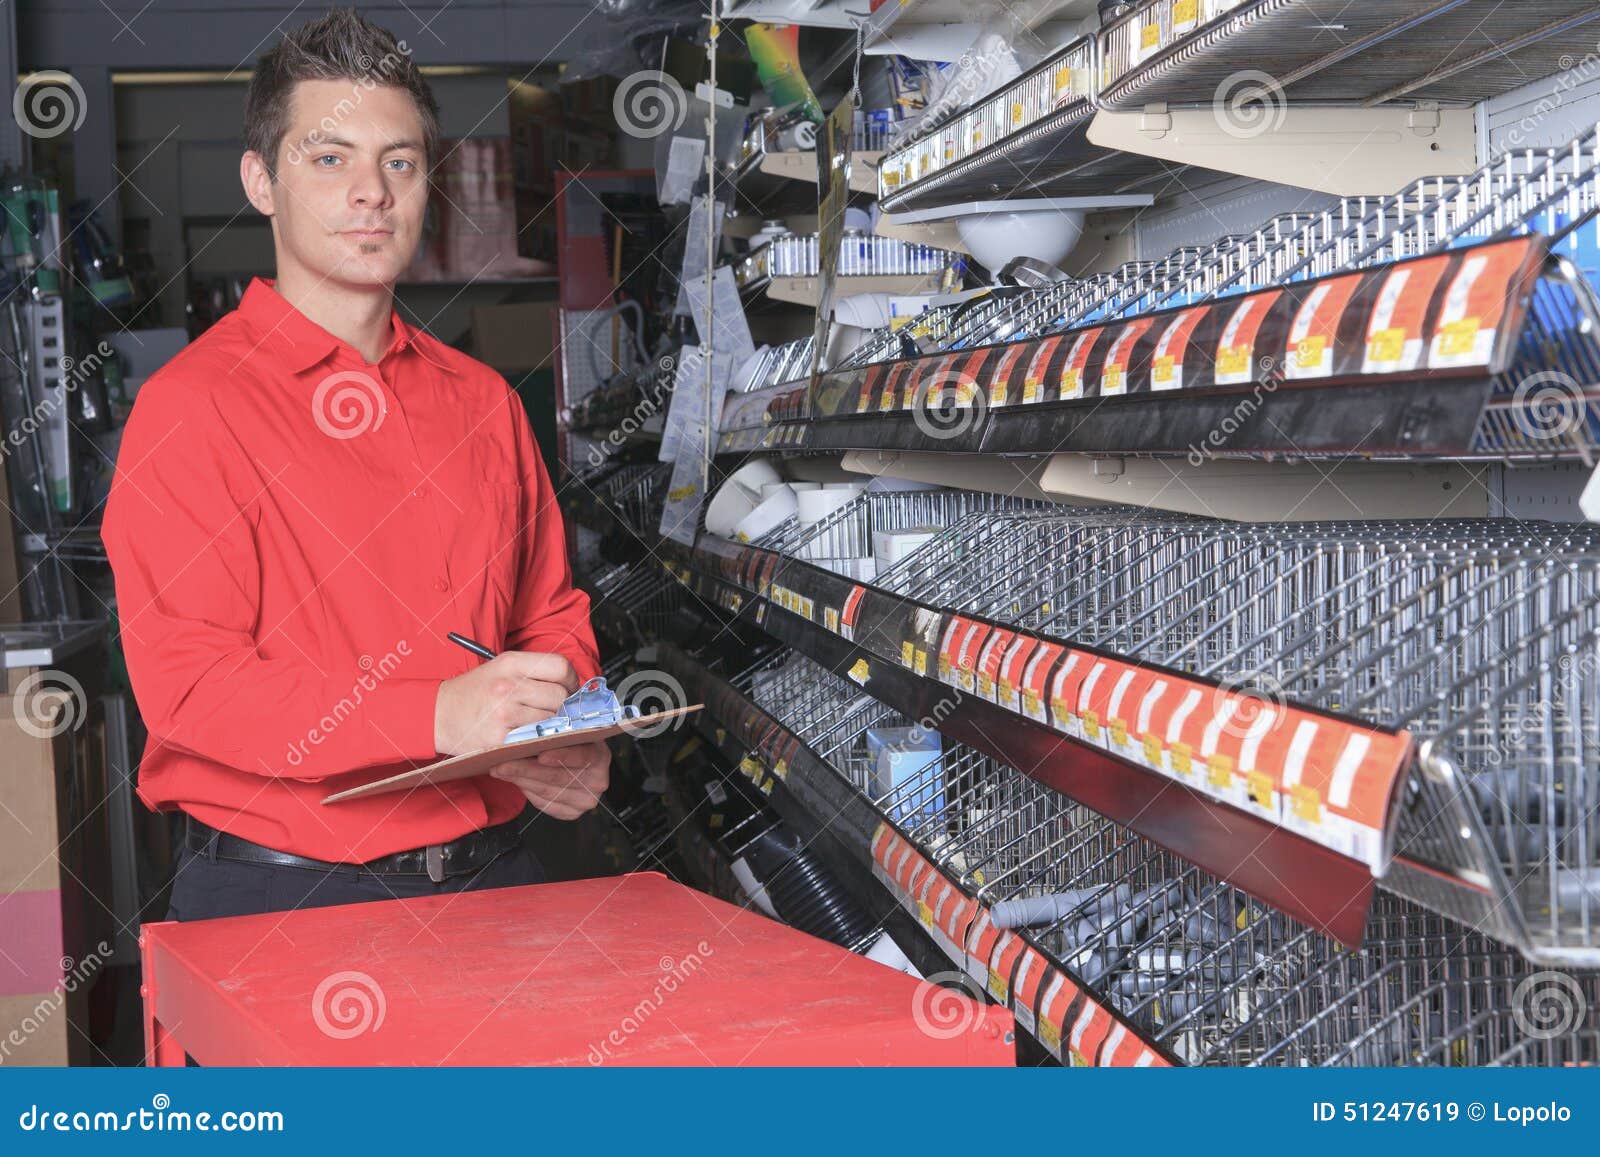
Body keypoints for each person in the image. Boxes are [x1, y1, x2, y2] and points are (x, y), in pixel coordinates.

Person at [102, 8, 609, 924]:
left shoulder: (483, 403)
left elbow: (550, 617)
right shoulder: (192, 409)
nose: (371, 192)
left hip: (495, 878)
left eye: (399, 162)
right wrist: (437, 715)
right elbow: (193, 686)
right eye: (330, 158)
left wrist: (567, 726)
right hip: (283, 898)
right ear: (261, 181)